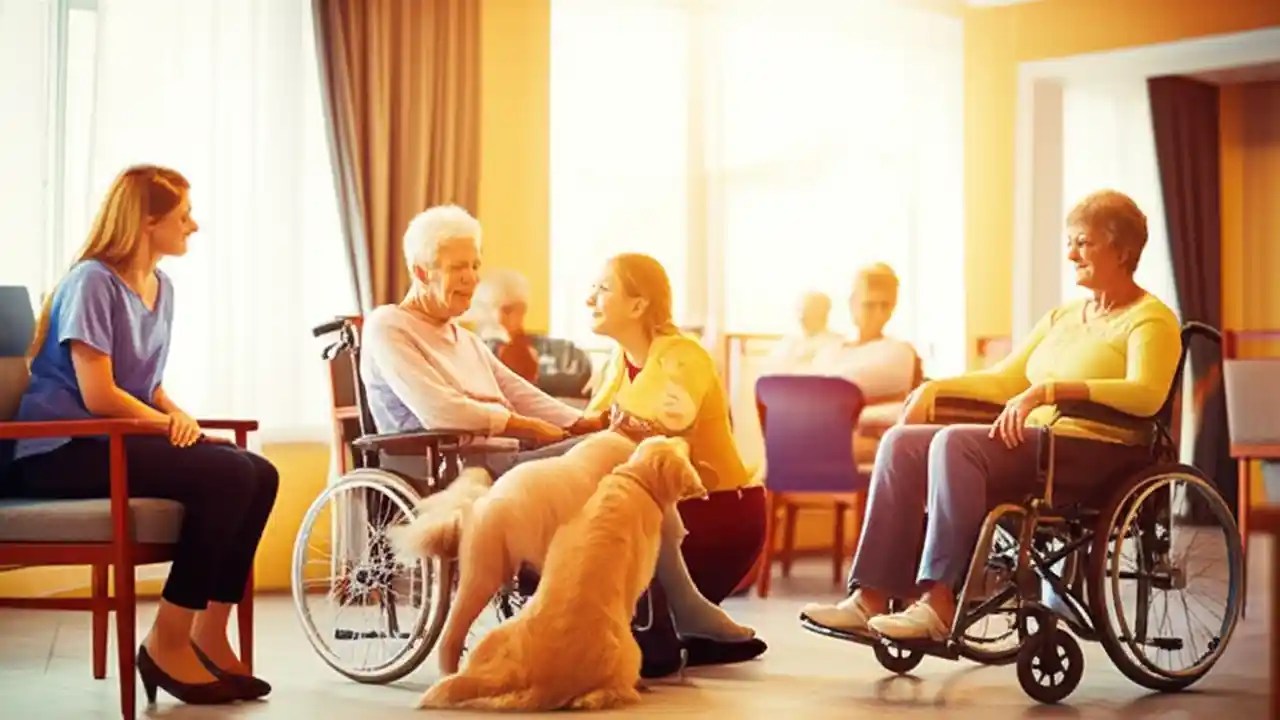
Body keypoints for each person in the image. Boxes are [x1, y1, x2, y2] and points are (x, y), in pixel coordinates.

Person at [801, 189, 1180, 641]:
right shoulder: (1063, 317)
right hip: (1036, 447)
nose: (1071, 252)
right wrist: (934, 387)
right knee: (901, 444)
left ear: (1122, 250)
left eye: (1084, 242)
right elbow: (1003, 381)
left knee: (955, 442)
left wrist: (1049, 391)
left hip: (1096, 455)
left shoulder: (1151, 319)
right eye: (1070, 241)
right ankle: (871, 598)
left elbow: (1147, 396)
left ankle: (938, 604)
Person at [8, 165, 278, 705]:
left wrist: (183, 418)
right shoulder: (91, 281)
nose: (194, 226)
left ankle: (207, 632)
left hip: (109, 440)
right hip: (55, 451)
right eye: (183, 216)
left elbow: (147, 386)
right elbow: (99, 395)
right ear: (147, 221)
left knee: (259, 472)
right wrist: (174, 430)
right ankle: (166, 643)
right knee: (225, 475)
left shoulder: (162, 288)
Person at [586, 252, 768, 666]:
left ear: (638, 305)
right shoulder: (620, 361)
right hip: (680, 510)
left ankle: (676, 614)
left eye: (602, 288)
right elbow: (591, 427)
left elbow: (662, 423)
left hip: (718, 516)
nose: (589, 299)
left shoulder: (684, 355)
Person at [359, 205, 603, 478]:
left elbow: (516, 392)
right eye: (458, 267)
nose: (472, 278)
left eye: (475, 265)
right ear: (422, 273)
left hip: (503, 457)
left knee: (612, 445)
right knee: (605, 452)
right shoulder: (389, 325)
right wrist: (528, 427)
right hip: (449, 469)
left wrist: (580, 422)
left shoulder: (465, 338)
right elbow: (441, 412)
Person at [828, 263, 922, 464]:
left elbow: (833, 389)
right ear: (852, 303)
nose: (879, 314)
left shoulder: (899, 352)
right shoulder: (830, 351)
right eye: (869, 305)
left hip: (871, 442)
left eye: (886, 306)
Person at [465, 269, 540, 384]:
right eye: (491, 308)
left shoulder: (521, 349)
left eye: (508, 310)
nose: (498, 318)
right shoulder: (484, 343)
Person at [763, 291, 845, 375]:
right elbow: (772, 375)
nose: (802, 316)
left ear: (824, 312)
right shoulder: (787, 343)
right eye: (800, 310)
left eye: (809, 309)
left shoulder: (838, 344)